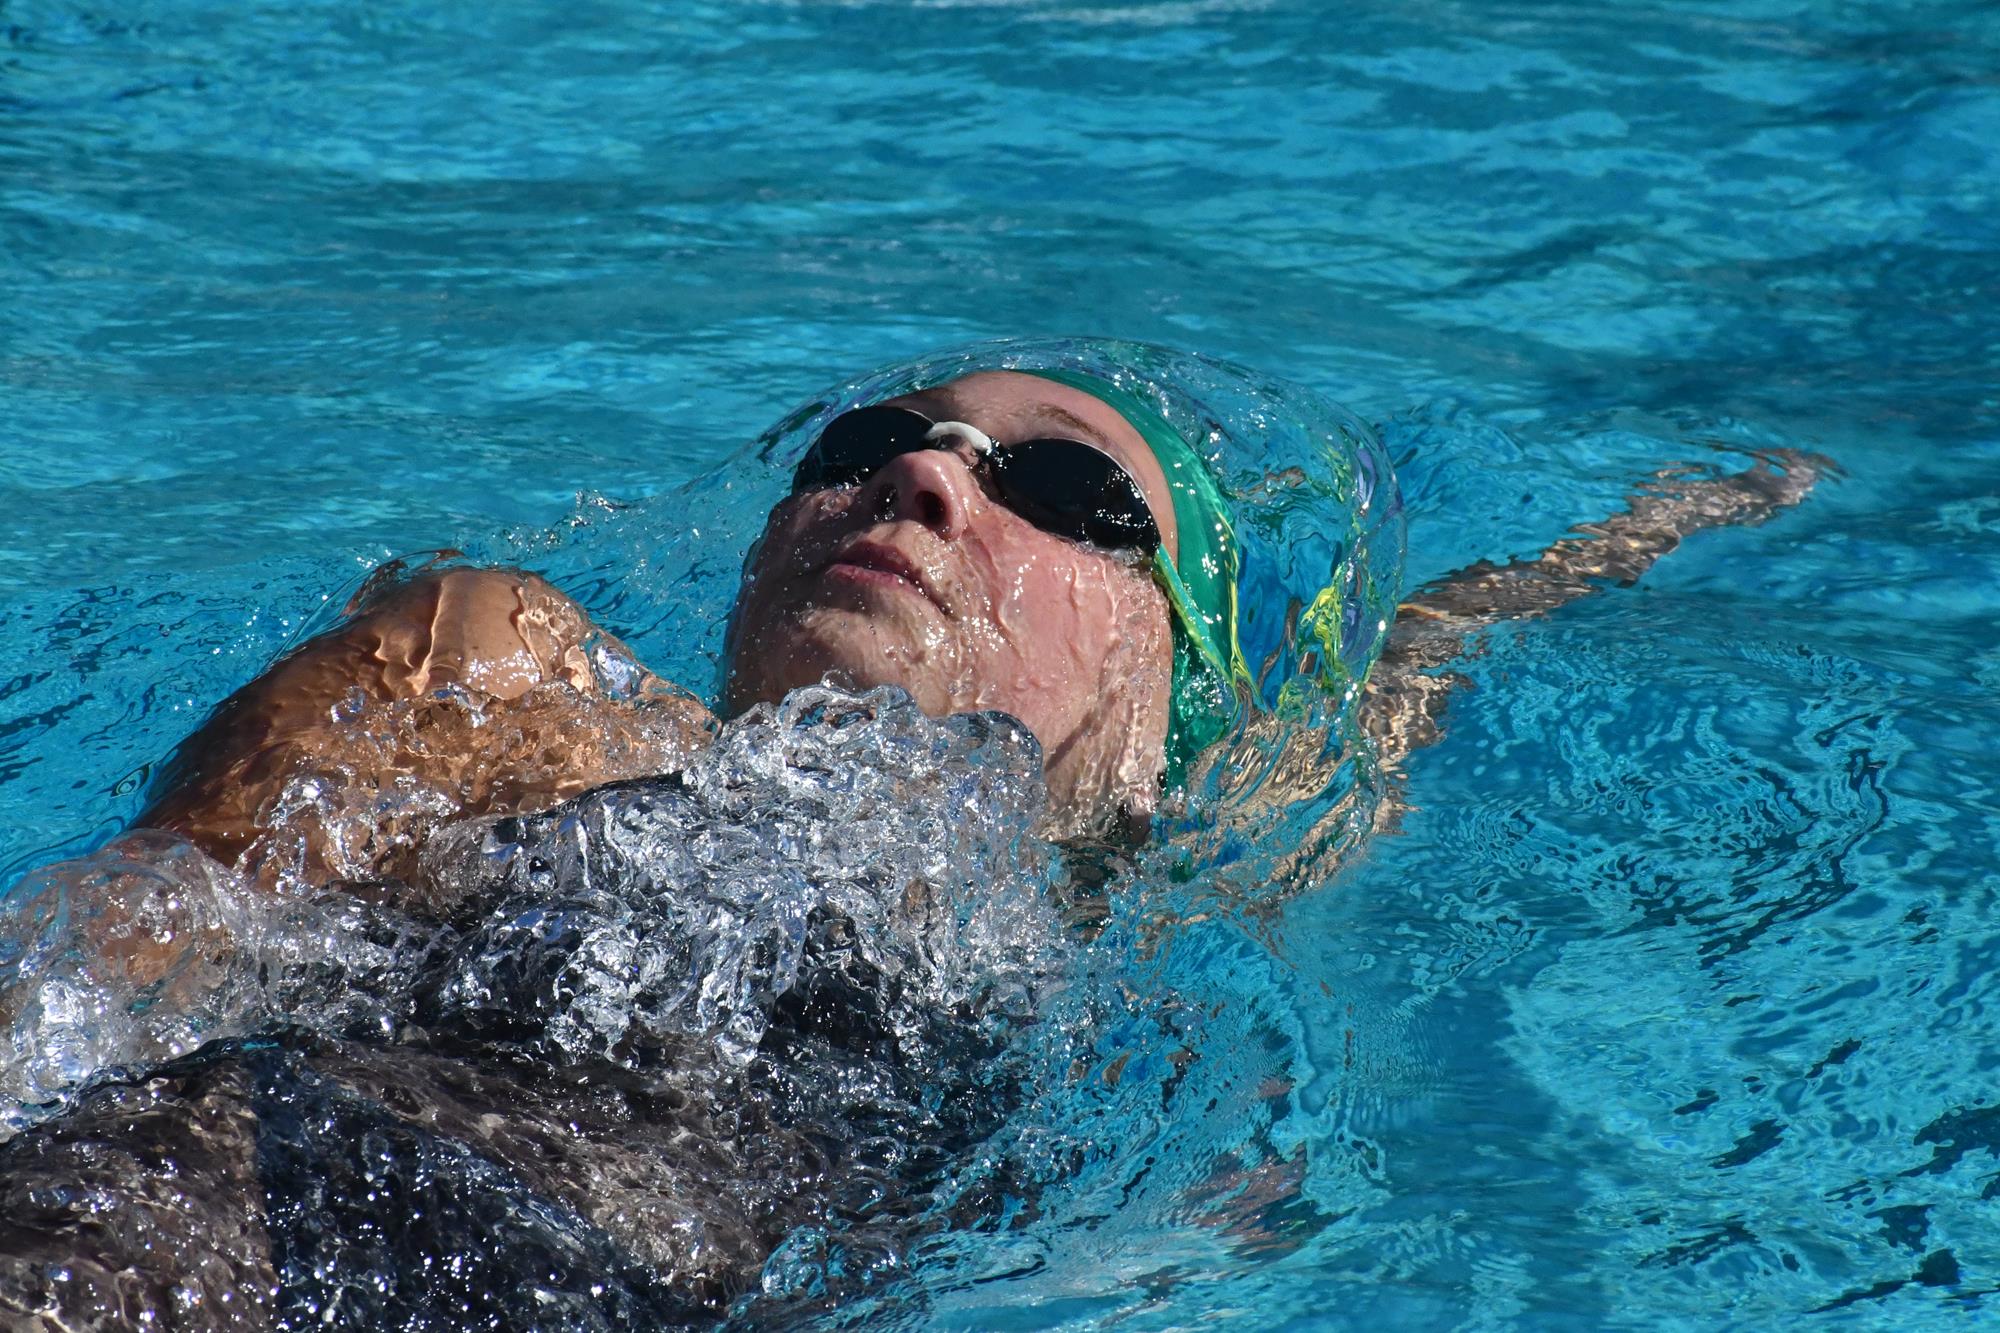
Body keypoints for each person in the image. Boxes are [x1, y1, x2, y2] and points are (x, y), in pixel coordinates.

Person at [0, 360, 1828, 1329]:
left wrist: (1658, 526)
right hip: (245, 1206)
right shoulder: (505, 677)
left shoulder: (1163, 878)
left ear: (1166, 687)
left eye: (1066, 491)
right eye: (882, 435)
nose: (930, 474)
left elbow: (1397, 671)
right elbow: (108, 955)